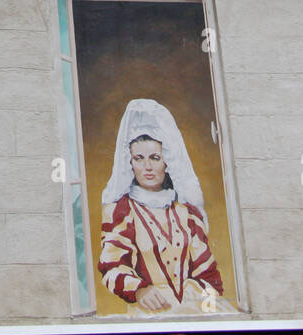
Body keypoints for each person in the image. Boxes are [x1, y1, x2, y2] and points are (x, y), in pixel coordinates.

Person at [98, 99, 232, 316]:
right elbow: (111, 266)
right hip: (148, 314)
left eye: (155, 158)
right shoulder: (122, 211)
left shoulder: (186, 212)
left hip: (192, 308)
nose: (147, 167)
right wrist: (140, 291)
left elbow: (207, 272)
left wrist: (201, 299)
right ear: (129, 163)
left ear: (166, 162)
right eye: (139, 158)